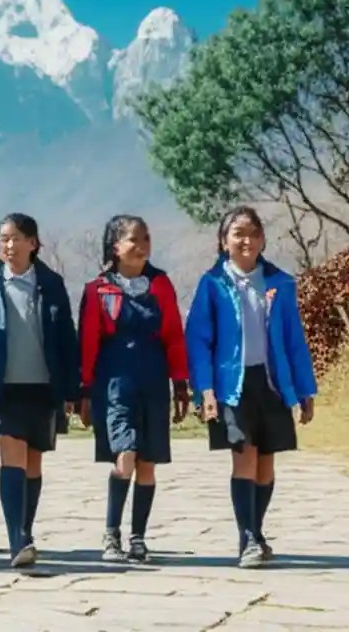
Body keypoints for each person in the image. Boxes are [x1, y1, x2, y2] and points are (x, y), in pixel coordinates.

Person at [185, 205, 317, 569]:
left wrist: (305, 391)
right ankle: (246, 538)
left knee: (266, 462)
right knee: (244, 456)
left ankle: (257, 532)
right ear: (223, 241)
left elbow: (294, 341)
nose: (245, 239)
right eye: (237, 233)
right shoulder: (212, 284)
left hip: (271, 383)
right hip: (232, 384)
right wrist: (205, 391)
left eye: (252, 232)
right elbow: (198, 340)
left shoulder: (280, 283)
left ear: (262, 239)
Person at [0, 213, 80, 568]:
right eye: (3, 239)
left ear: (33, 242)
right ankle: (17, 540)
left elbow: (66, 338)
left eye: (15, 238)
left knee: (33, 462)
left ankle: (25, 529)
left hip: (42, 385)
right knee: (11, 457)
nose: (9, 246)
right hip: (2, 387)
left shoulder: (51, 283)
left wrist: (72, 387)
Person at [77, 215, 190, 564]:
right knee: (124, 456)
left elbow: (173, 334)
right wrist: (83, 389)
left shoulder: (161, 285)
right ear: (116, 247)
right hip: (115, 384)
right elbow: (88, 342)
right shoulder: (98, 290)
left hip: (154, 381)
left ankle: (138, 537)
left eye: (146, 239)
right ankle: (111, 534)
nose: (141, 246)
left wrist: (180, 384)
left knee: (148, 463)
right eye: (133, 240)